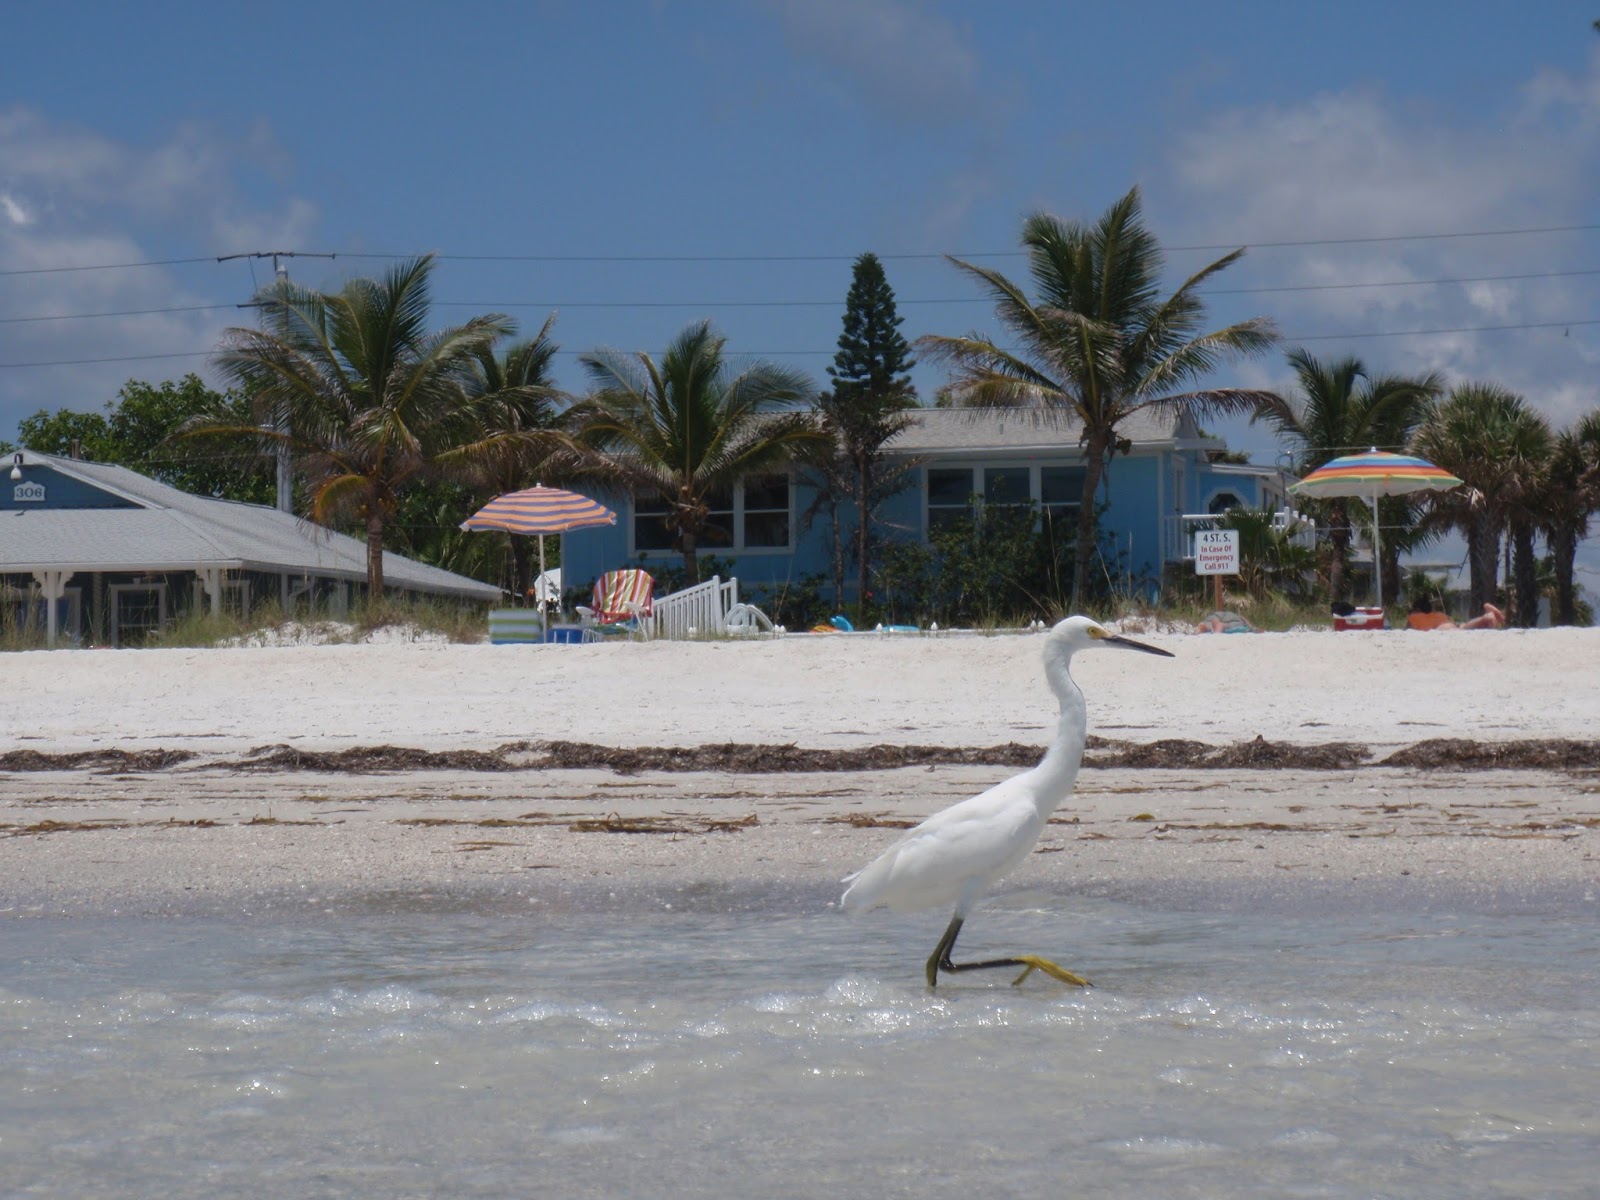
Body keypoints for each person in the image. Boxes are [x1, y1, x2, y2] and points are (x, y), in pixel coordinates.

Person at [1406, 596, 1504, 630]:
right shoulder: (1438, 614)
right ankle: (1485, 617)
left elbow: (1406, 633)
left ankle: (1486, 618)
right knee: (1462, 627)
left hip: (1440, 629)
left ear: (1417, 609)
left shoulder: (1413, 617)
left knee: (1459, 630)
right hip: (1446, 623)